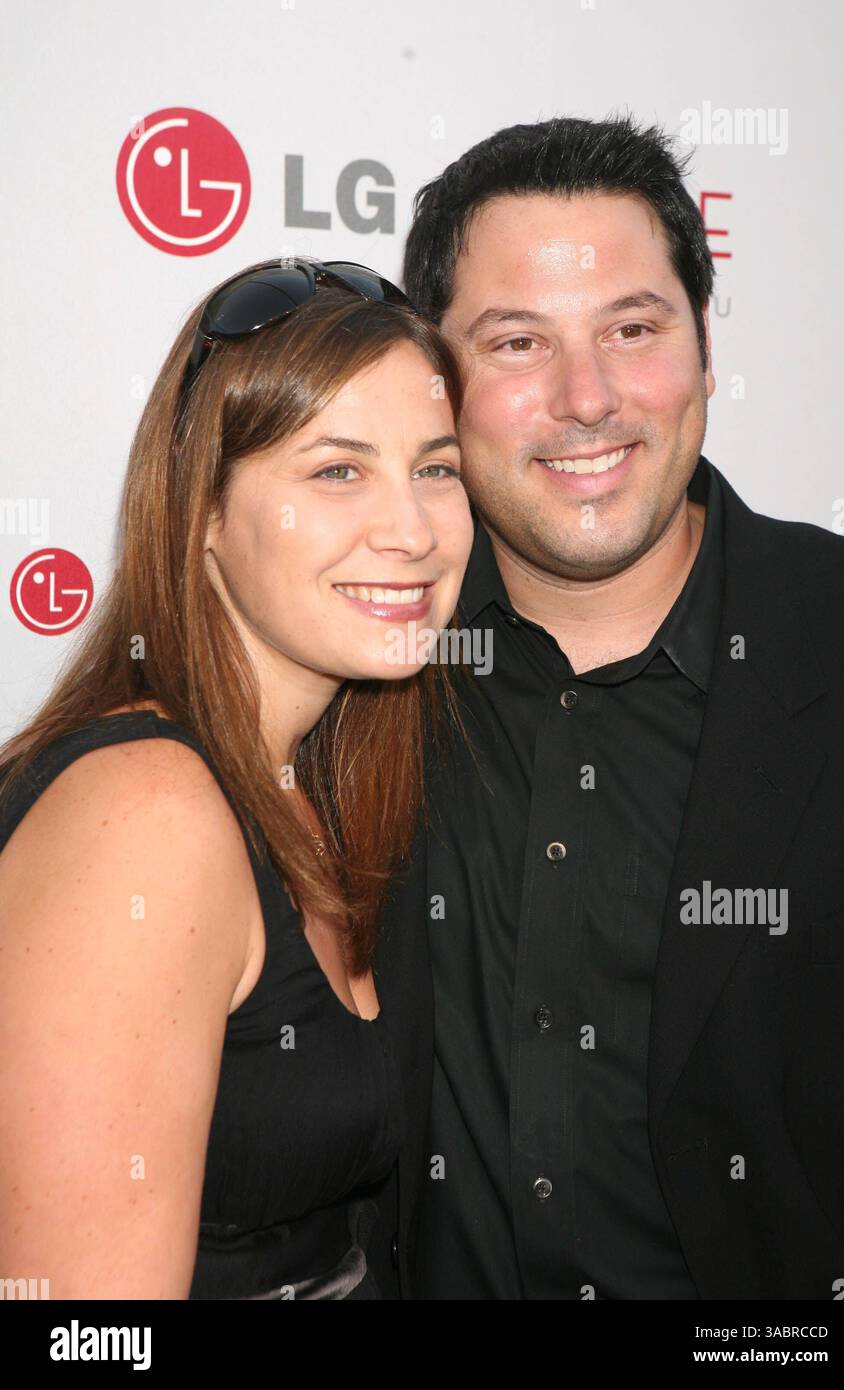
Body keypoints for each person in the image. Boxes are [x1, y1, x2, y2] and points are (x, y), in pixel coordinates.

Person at [369, 114, 844, 1300]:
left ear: (703, 347)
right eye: (514, 343)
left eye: (632, 329)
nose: (585, 398)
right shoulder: (357, 665)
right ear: (431, 383)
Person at [0, 257, 474, 1299]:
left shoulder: (315, 789)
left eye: (435, 468)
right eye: (336, 471)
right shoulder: (147, 817)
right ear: (203, 511)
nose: (411, 530)